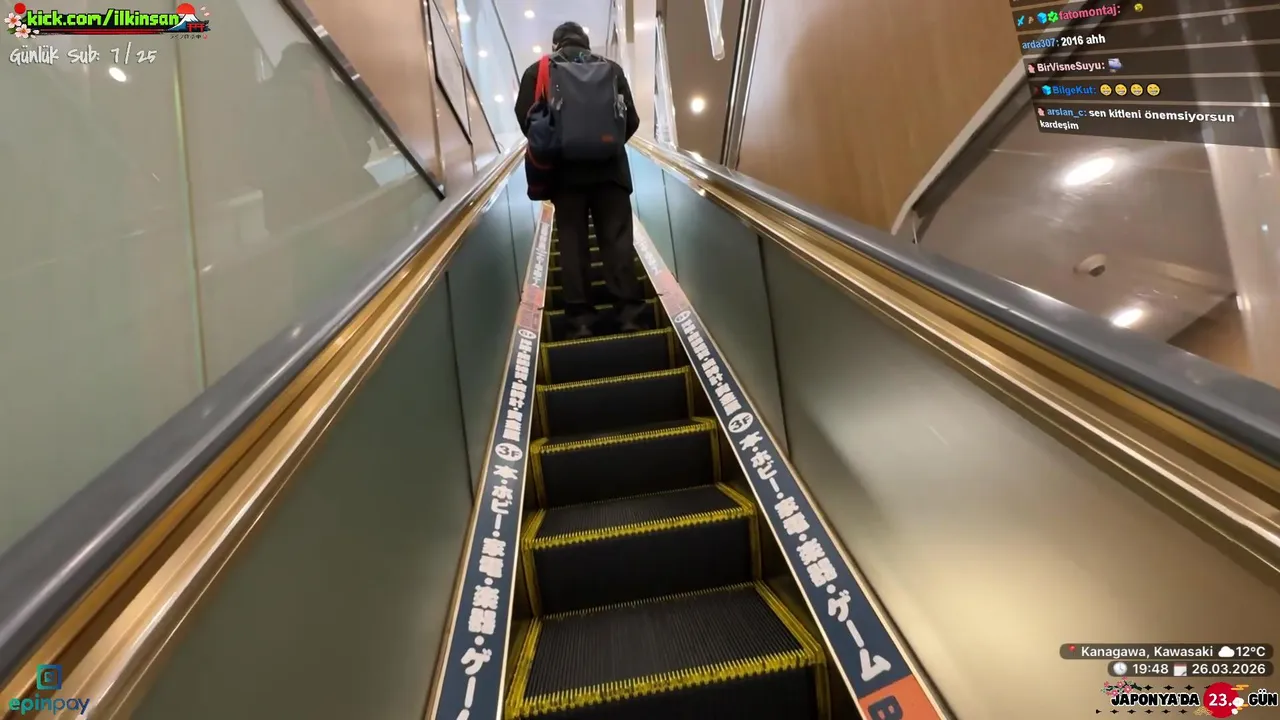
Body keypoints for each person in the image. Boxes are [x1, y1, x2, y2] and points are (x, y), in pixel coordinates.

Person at [515, 21, 644, 339]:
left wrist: (561, 145)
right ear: (586, 42)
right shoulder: (611, 69)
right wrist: (606, 146)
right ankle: (629, 314)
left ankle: (581, 320)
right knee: (617, 241)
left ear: (556, 43)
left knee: (572, 245)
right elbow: (631, 119)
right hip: (611, 173)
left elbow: (526, 118)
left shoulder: (539, 70)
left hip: (565, 175)